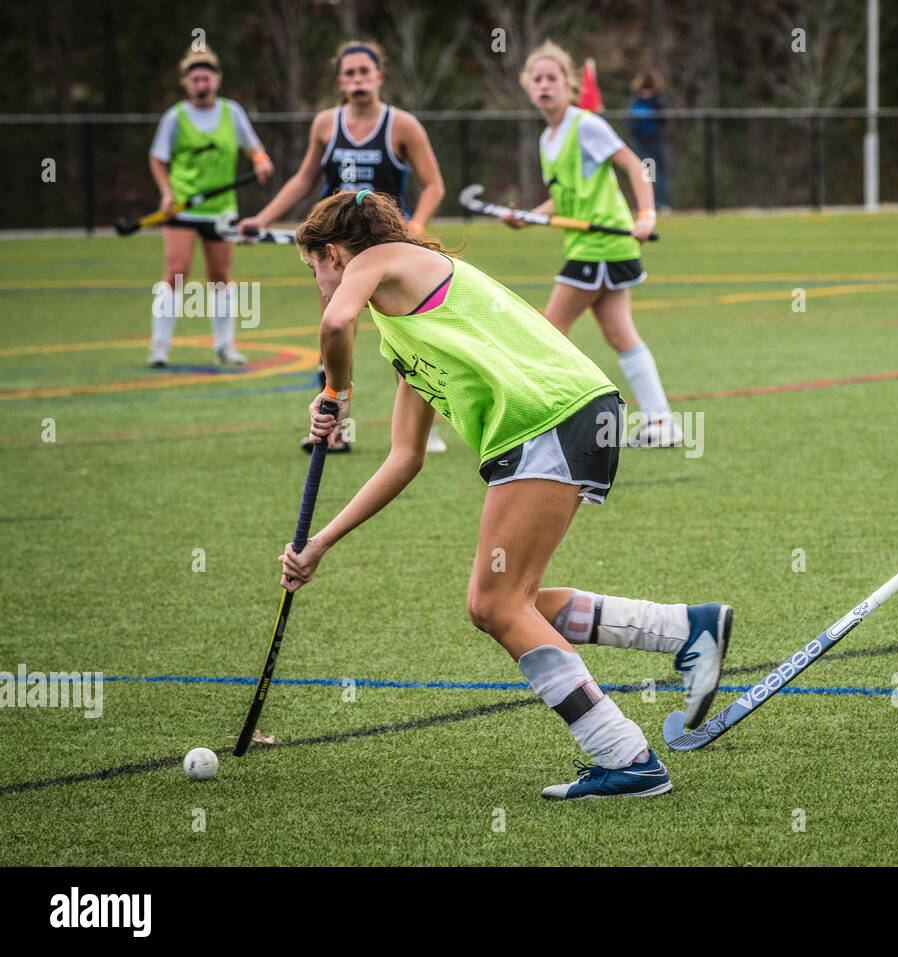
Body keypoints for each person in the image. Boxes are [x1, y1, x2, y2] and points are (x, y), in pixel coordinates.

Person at [278, 189, 733, 798]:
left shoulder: (381, 256)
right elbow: (403, 459)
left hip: (547, 420)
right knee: (506, 600)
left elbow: (336, 322)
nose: (320, 285)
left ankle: (626, 756)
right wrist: (320, 546)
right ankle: (682, 630)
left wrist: (335, 393)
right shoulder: (408, 320)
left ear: (333, 253)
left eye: (314, 270)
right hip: (566, 419)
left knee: (497, 606)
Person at [236, 40, 449, 453]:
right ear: (340, 81)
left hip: (388, 250)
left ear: (379, 77)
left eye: (364, 72)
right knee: (334, 330)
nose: (357, 80)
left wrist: (415, 226)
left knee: (406, 336)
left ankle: (425, 427)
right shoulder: (325, 125)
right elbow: (303, 180)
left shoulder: (402, 125)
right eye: (349, 73)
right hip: (336, 253)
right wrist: (262, 218)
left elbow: (435, 184)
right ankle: (334, 429)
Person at [504, 41, 681, 447]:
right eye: (537, 79)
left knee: (549, 332)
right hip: (593, 248)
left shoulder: (585, 125)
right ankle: (661, 422)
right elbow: (563, 199)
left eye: (552, 78)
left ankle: (558, 421)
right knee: (621, 336)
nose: (544, 85)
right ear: (528, 87)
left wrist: (646, 215)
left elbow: (636, 167)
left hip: (600, 245)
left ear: (568, 84)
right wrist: (528, 218)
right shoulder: (547, 139)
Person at [147, 49, 273, 367]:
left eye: (206, 78)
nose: (201, 84)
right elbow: (158, 158)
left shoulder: (233, 112)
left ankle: (224, 346)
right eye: (194, 79)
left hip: (220, 210)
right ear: (186, 83)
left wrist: (260, 160)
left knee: (219, 276)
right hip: (182, 209)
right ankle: (159, 347)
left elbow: (253, 146)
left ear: (216, 80)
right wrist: (166, 192)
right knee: (176, 272)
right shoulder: (175, 117)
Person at [628, 68, 669, 210]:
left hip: (651, 141)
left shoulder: (647, 101)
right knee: (651, 173)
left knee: (655, 173)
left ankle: (658, 204)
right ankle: (652, 204)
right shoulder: (643, 101)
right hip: (646, 142)